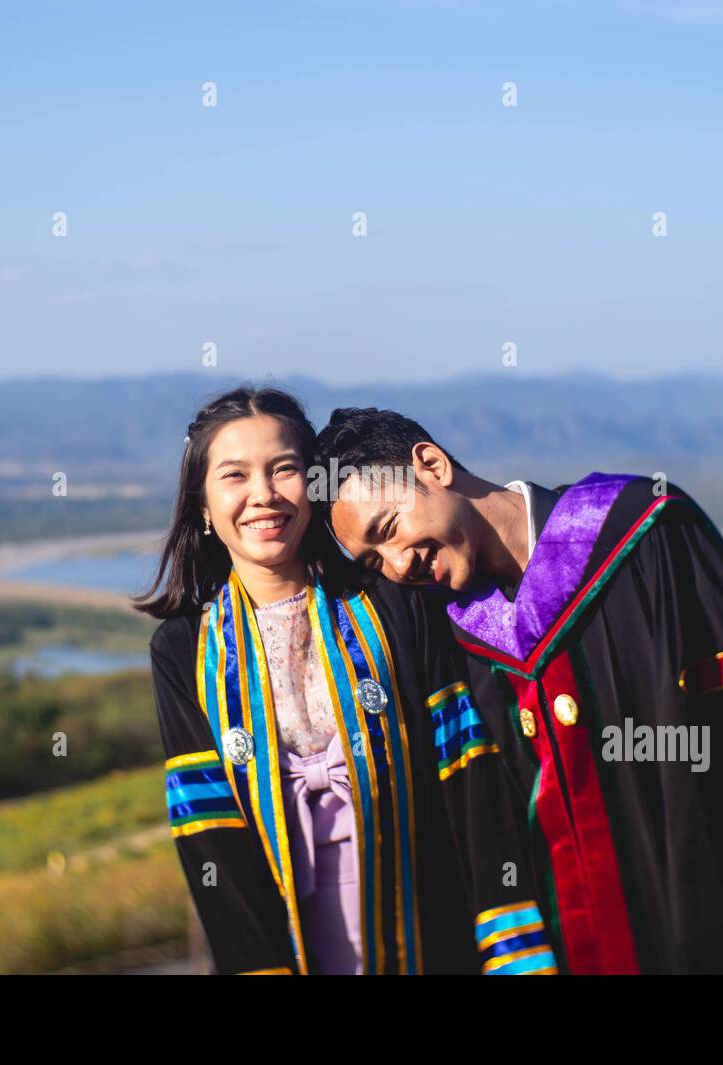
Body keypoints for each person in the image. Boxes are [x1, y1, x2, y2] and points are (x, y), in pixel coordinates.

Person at [315, 406, 723, 975]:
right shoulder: (446, 633)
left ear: (431, 465)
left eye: (389, 531)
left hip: (703, 938)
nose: (397, 564)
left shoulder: (642, 535)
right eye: (373, 560)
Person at [135, 386, 556, 975]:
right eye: (235, 476)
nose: (263, 495)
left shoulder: (394, 603)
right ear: (202, 504)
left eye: (285, 470)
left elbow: (469, 776)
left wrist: (514, 951)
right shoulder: (184, 652)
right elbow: (210, 838)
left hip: (436, 943)